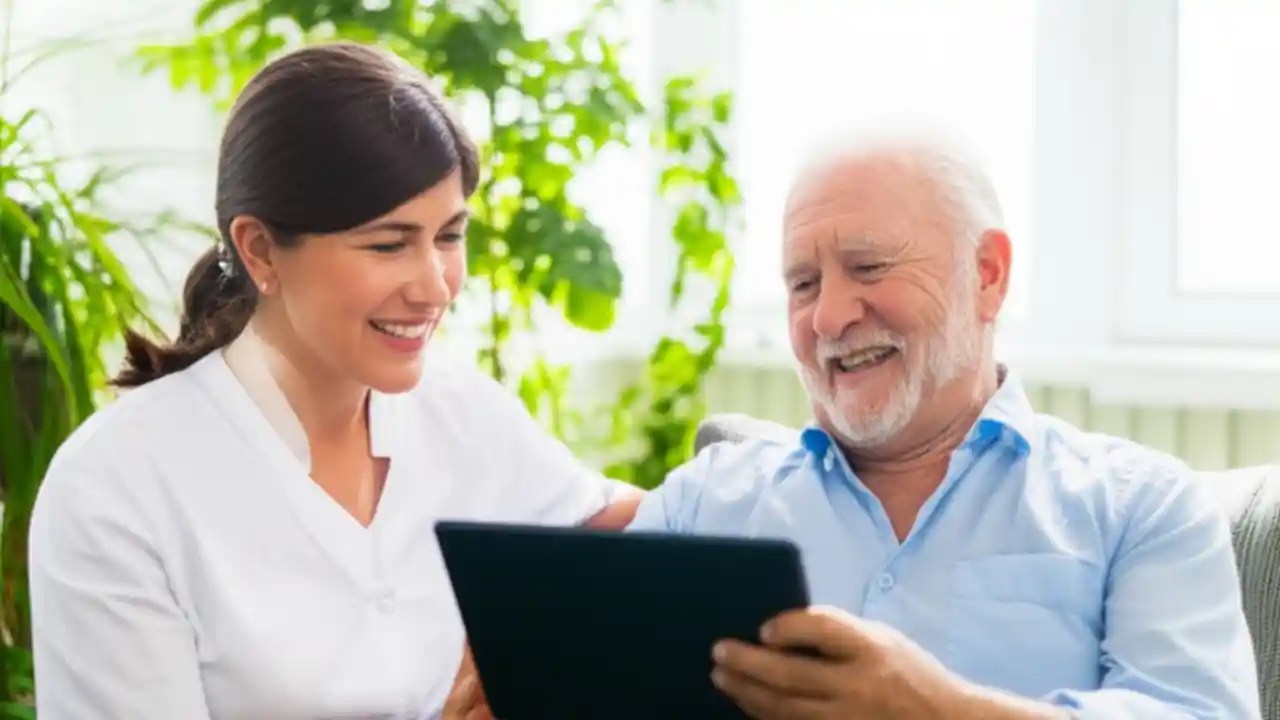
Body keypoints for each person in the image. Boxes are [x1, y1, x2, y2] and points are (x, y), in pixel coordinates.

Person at [27, 42, 641, 720]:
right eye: (388, 244)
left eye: (449, 236)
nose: (435, 287)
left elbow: (637, 527)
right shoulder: (116, 485)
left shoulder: (462, 413)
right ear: (260, 249)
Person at [626, 130, 1261, 718]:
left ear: (988, 275)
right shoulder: (701, 504)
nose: (828, 316)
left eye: (869, 267)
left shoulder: (1141, 509)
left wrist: (941, 710)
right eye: (803, 283)